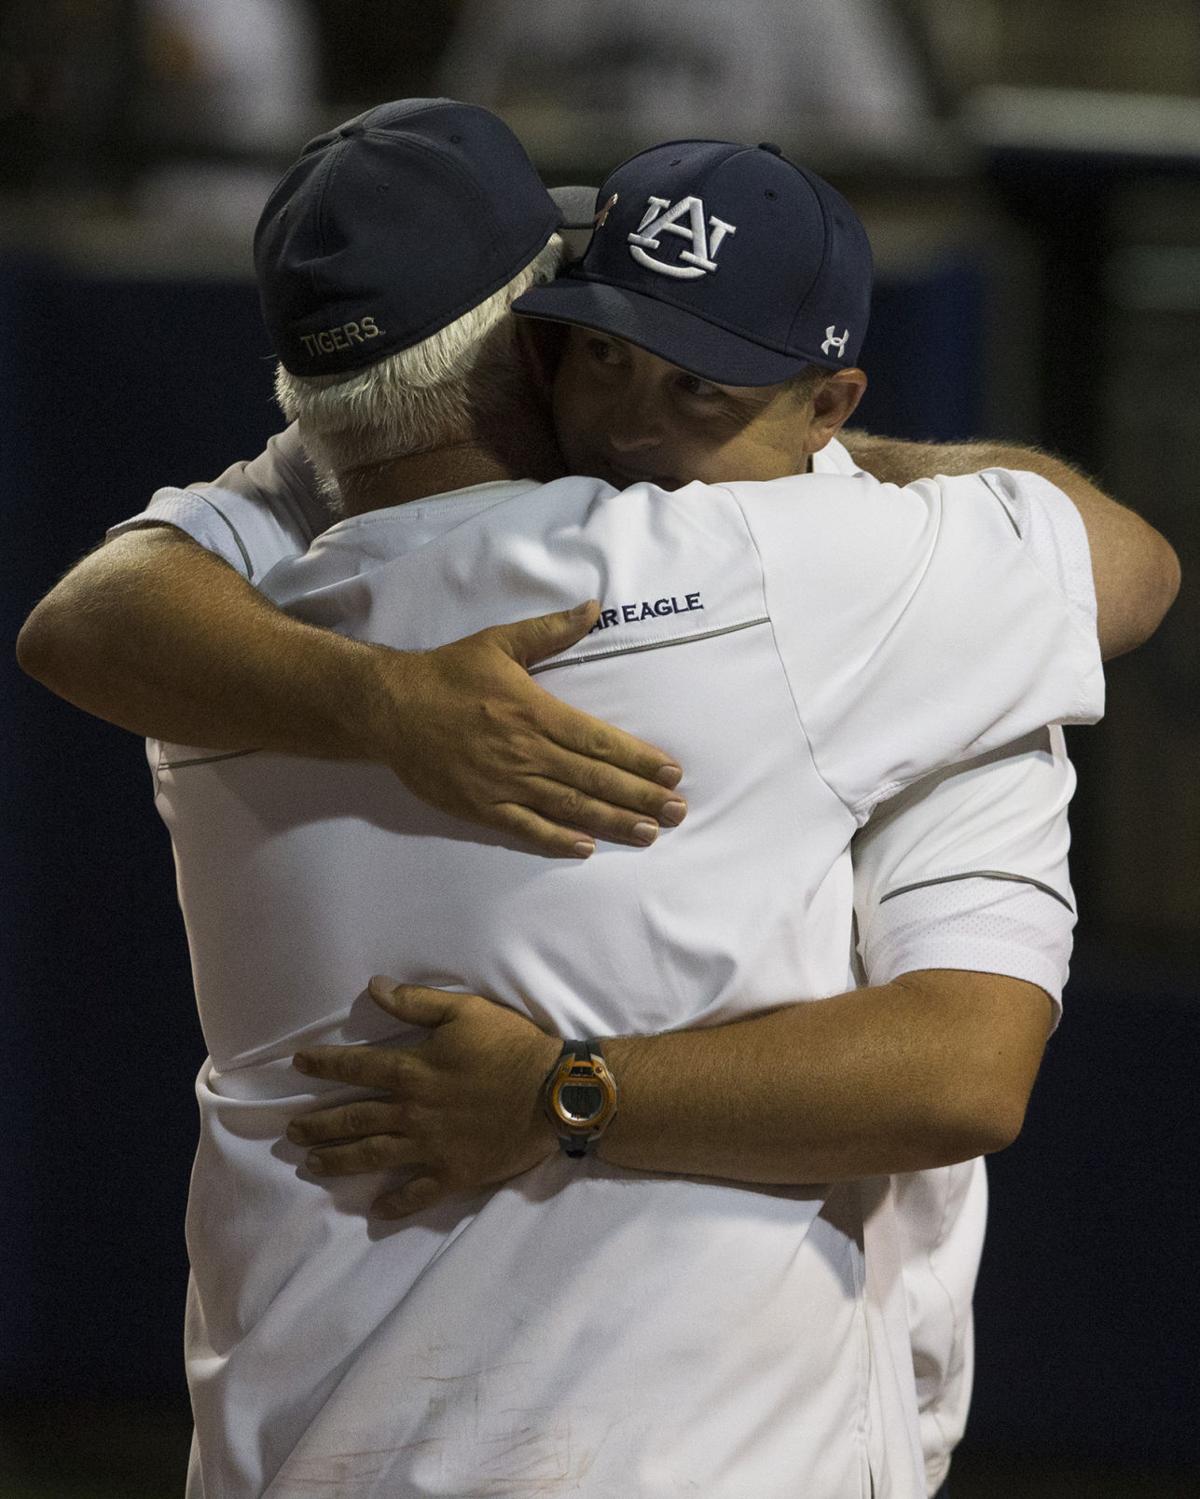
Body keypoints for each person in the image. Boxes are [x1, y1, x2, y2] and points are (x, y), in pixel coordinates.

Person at [15, 102, 1177, 1497]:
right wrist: (573, 1094)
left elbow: (80, 621)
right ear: (534, 343)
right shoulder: (828, 581)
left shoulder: (233, 635)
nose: (636, 419)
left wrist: (374, 700)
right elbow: (1124, 568)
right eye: (609, 355)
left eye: (699, 380)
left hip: (298, 1449)